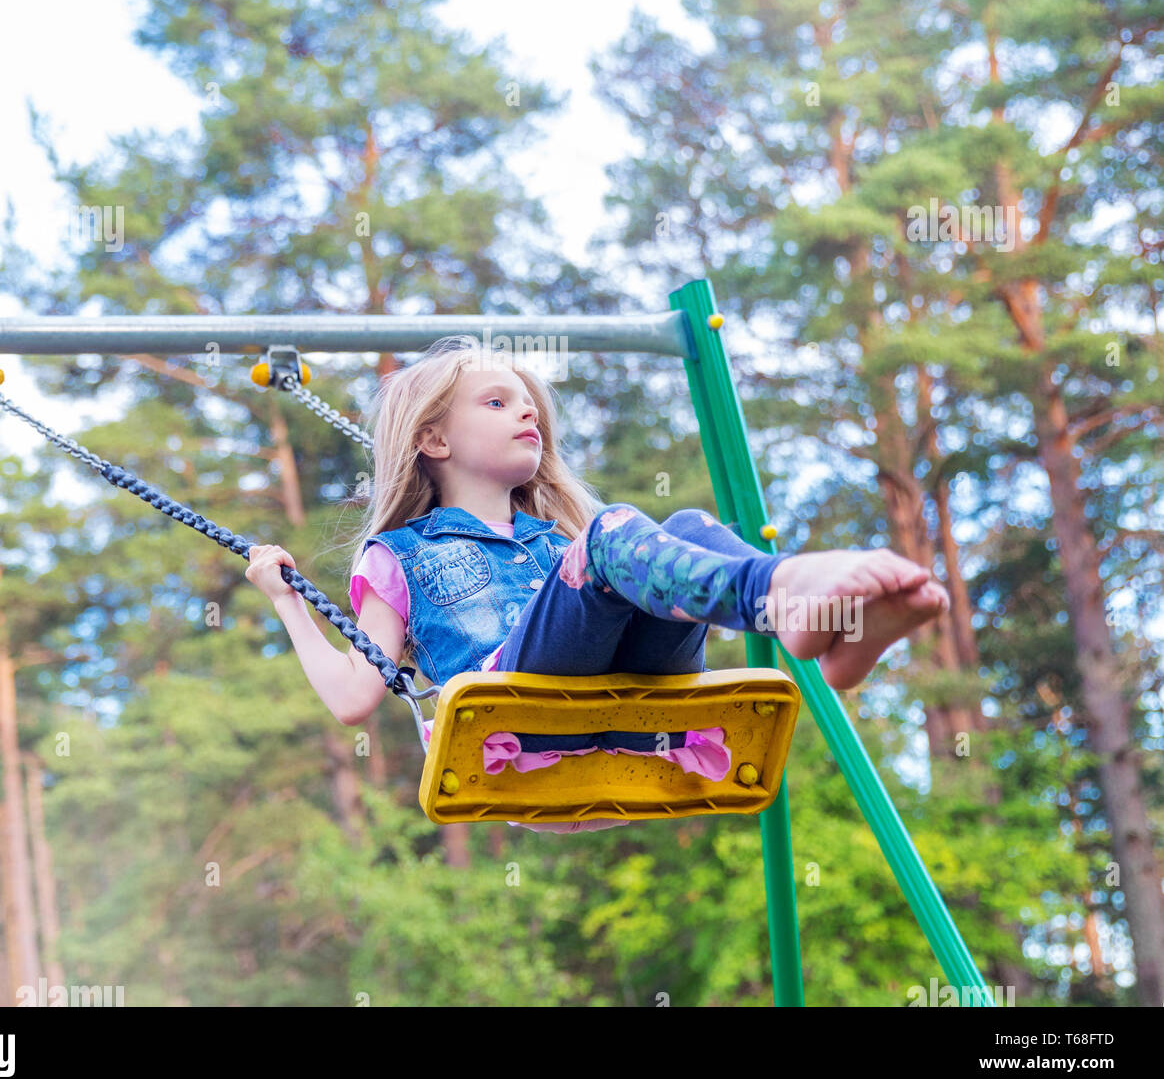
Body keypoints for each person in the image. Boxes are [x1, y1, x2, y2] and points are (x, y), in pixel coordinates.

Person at [245, 335, 949, 833]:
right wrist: (288, 602)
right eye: (497, 403)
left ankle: (824, 627)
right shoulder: (396, 555)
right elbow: (352, 697)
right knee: (610, 534)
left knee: (690, 525)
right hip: (521, 718)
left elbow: (609, 561)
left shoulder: (556, 543)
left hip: (632, 713)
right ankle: (786, 595)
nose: (527, 413)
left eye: (530, 407)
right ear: (434, 442)